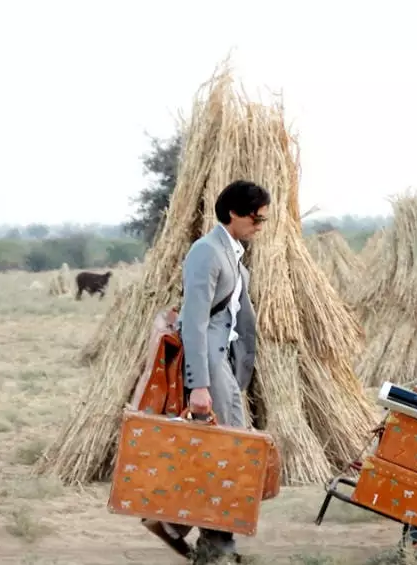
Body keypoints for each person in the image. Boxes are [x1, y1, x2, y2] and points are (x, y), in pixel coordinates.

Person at [142, 180, 270, 565]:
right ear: (233, 212)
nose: (260, 225)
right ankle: (213, 544)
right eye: (256, 217)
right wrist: (198, 386)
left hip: (224, 361)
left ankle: (179, 527)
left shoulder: (233, 252)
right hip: (209, 365)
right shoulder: (206, 251)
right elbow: (195, 322)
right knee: (228, 452)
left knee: (222, 451)